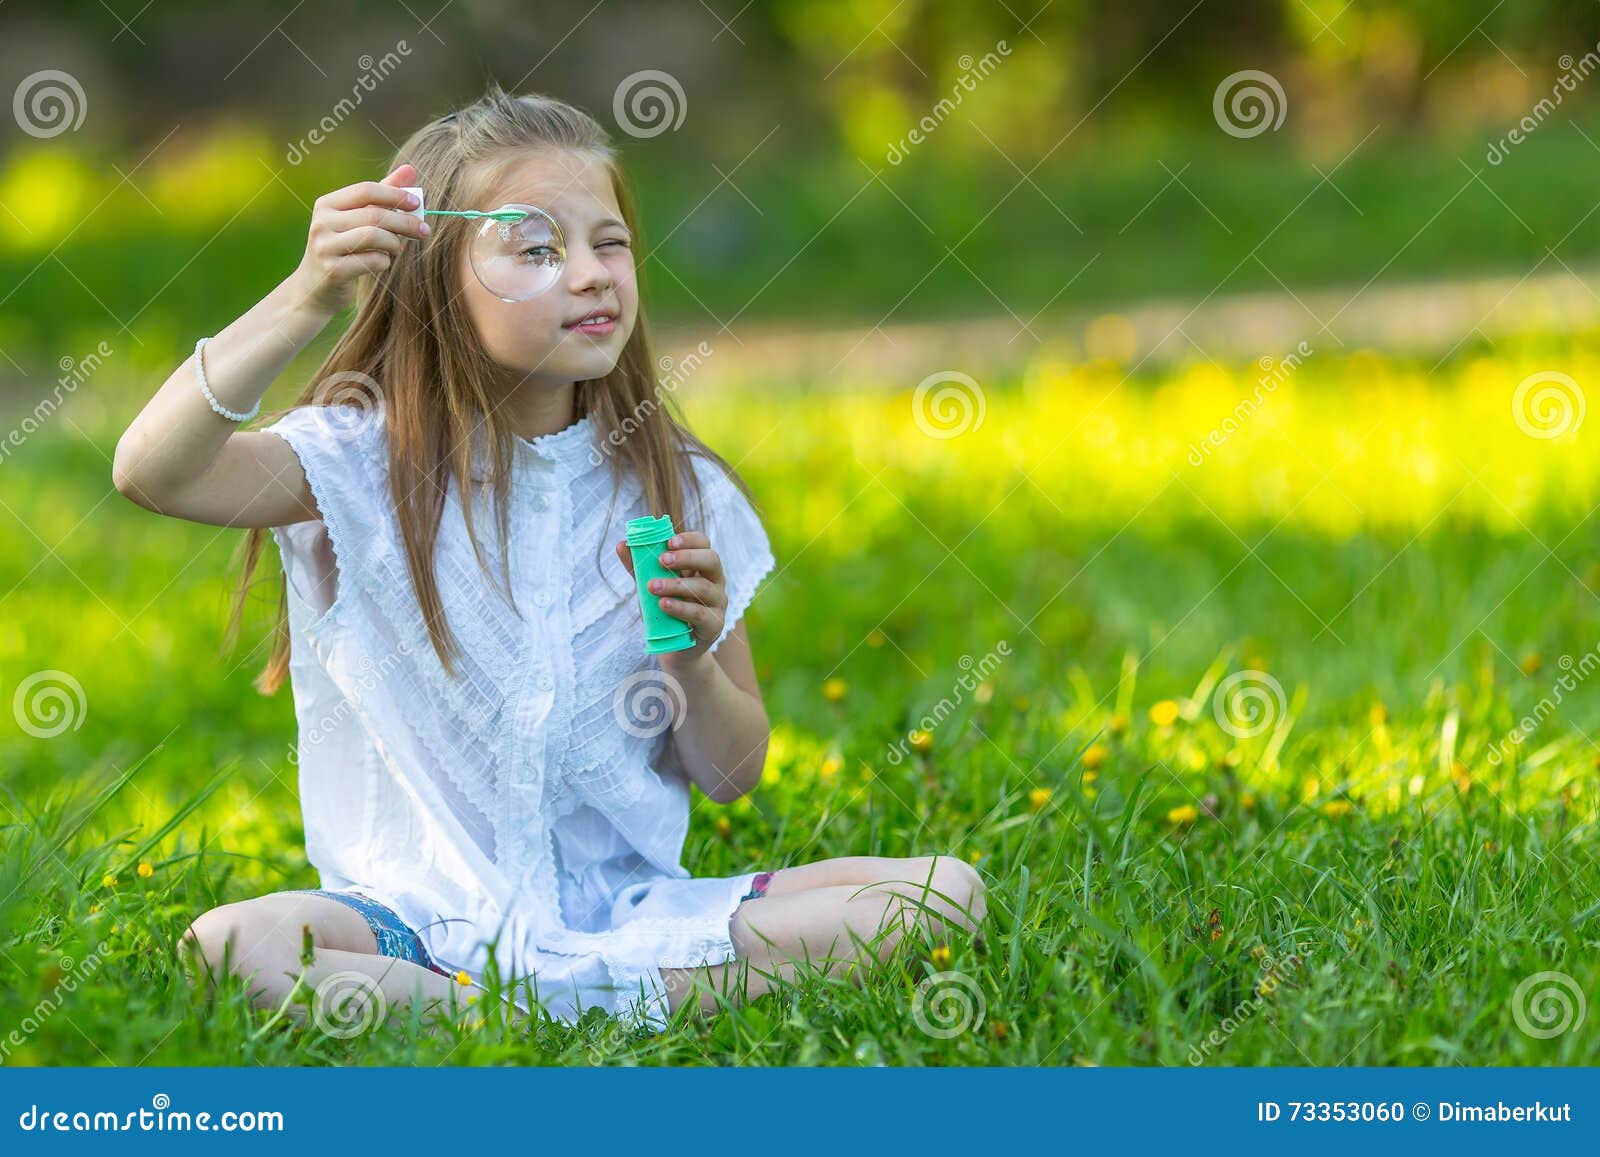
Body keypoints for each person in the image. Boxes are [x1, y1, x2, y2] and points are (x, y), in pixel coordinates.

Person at [112, 81, 986, 1037]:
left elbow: (734, 771)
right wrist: (305, 296)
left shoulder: (679, 487)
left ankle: (517, 1018)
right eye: (537, 248)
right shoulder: (361, 462)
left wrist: (689, 657)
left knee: (948, 894)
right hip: (414, 925)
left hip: (630, 912)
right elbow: (152, 472)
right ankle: (604, 1008)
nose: (590, 272)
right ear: (434, 281)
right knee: (233, 944)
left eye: (607, 242)